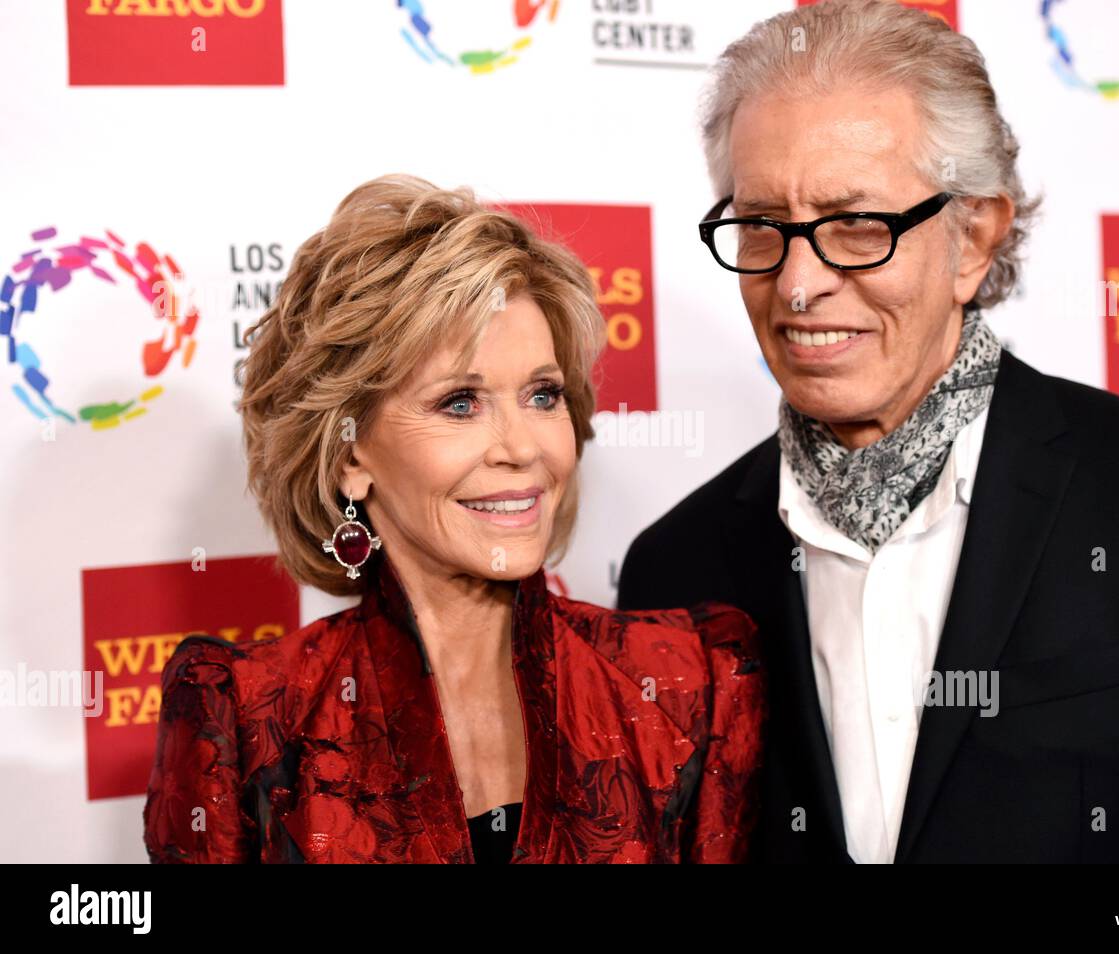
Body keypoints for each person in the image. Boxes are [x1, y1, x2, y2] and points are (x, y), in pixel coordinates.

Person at [617, 0, 1119, 863]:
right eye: (762, 227)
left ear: (973, 239)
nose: (796, 284)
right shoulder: (675, 567)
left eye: (854, 224)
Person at [142, 174, 764, 863]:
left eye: (542, 394)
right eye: (461, 403)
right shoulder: (248, 719)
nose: (523, 447)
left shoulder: (688, 683)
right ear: (351, 455)